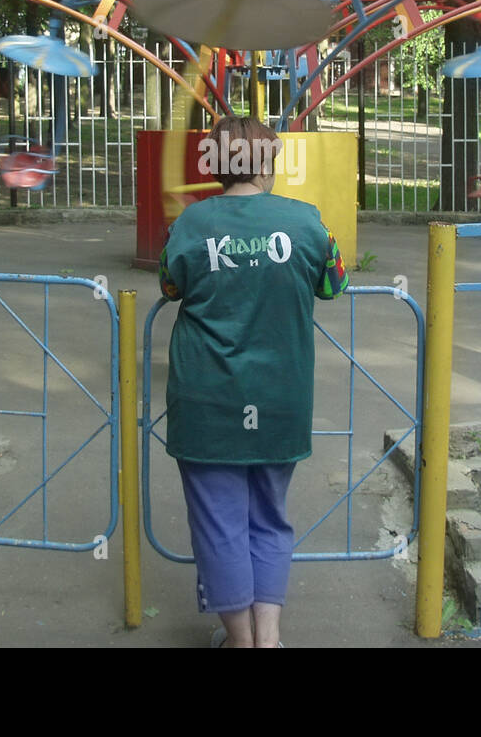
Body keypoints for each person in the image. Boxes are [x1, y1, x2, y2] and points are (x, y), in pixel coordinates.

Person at [158, 115, 349, 648]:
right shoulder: (307, 222)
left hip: (207, 401)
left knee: (220, 524)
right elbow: (335, 283)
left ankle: (240, 642)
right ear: (267, 164)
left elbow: (169, 284)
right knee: (269, 517)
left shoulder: (190, 225)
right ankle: (268, 640)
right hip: (280, 398)